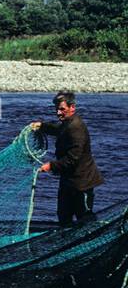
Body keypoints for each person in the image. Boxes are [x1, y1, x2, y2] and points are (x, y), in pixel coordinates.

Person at [31, 90, 103, 227]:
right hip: (68, 181)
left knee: (85, 219)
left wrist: (50, 166)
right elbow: (59, 130)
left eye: (62, 109)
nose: (58, 113)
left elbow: (72, 159)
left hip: (82, 183)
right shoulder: (68, 123)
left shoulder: (76, 127)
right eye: (57, 109)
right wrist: (42, 126)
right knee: (64, 217)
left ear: (72, 108)